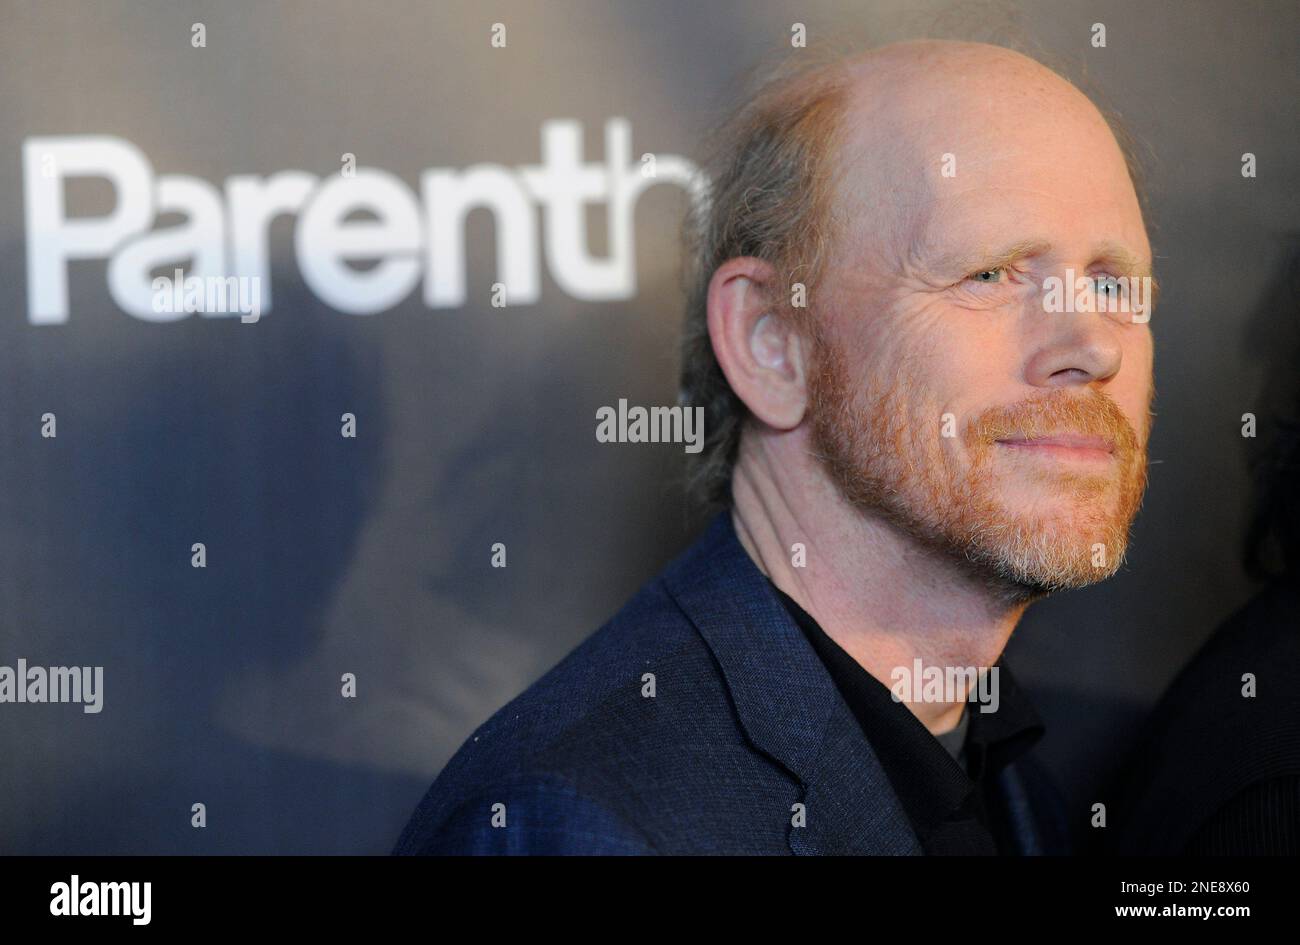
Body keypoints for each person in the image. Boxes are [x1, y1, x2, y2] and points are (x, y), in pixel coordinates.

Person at [395, 38, 1157, 855]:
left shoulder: (999, 767)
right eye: (991, 272)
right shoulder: (579, 825)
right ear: (770, 341)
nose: (1094, 344)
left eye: (1114, 283)